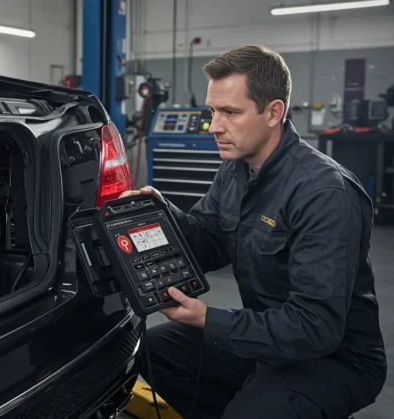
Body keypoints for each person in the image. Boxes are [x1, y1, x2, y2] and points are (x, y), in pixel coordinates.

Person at [123, 45, 387, 419]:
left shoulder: (324, 194)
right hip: (267, 337)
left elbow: (317, 328)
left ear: (273, 113)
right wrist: (163, 215)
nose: (214, 126)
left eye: (230, 113)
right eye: (213, 112)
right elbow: (209, 242)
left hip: (333, 358)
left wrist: (207, 318)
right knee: (153, 351)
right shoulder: (236, 170)